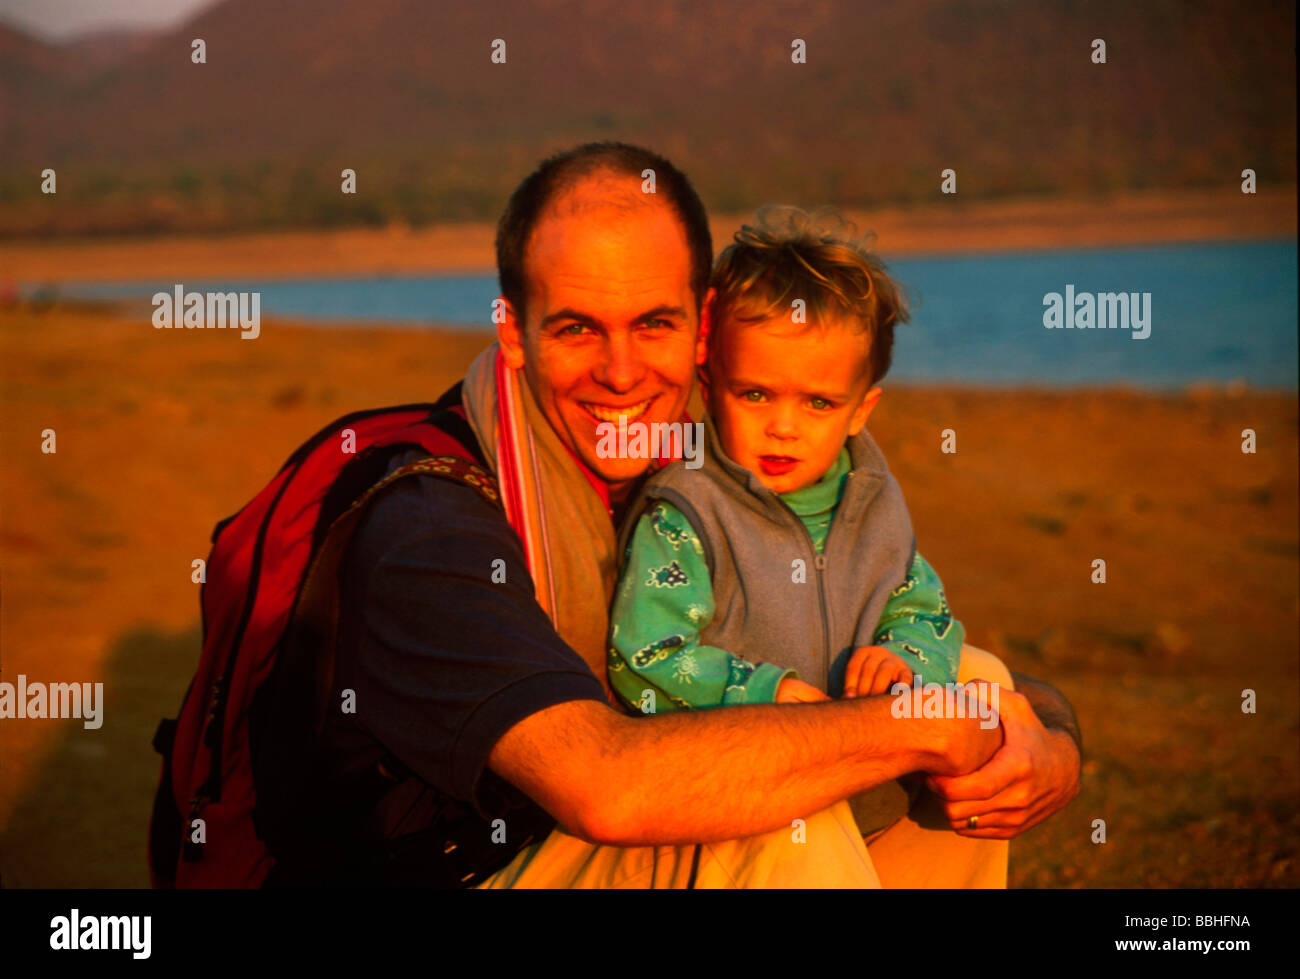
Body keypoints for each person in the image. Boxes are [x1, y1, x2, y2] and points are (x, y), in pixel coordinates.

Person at [259, 141, 1081, 888]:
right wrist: (891, 724)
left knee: (976, 684)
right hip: (469, 873)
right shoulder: (433, 526)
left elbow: (949, 652)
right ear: (513, 334)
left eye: (653, 323)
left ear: (702, 329)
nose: (621, 374)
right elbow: (607, 787)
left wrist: (1049, 741)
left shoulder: (701, 461)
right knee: (766, 807)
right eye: (577, 328)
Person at [607, 206, 964, 842]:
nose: (784, 426)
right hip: (746, 804)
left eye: (819, 403)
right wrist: (764, 695)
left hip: (866, 791)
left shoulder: (872, 504)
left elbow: (924, 610)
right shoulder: (687, 509)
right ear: (708, 380)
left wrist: (906, 662)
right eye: (756, 394)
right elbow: (644, 658)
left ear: (861, 409)